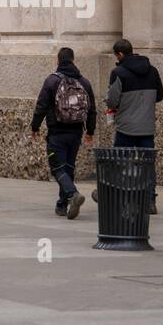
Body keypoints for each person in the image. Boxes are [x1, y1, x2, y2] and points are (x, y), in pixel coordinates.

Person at [31, 46, 96, 219]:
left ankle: (73, 194)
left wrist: (35, 126)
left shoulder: (52, 80)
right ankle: (62, 205)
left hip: (57, 131)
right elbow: (92, 109)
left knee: (57, 167)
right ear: (73, 60)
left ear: (58, 60)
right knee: (68, 167)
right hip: (76, 132)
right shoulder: (84, 82)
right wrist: (90, 130)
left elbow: (41, 105)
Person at [101, 38, 163, 213]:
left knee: (119, 162)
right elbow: (159, 96)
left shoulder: (118, 72)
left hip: (126, 128)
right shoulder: (152, 70)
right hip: (147, 127)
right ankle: (150, 201)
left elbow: (112, 101)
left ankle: (121, 197)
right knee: (148, 164)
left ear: (120, 54)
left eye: (116, 55)